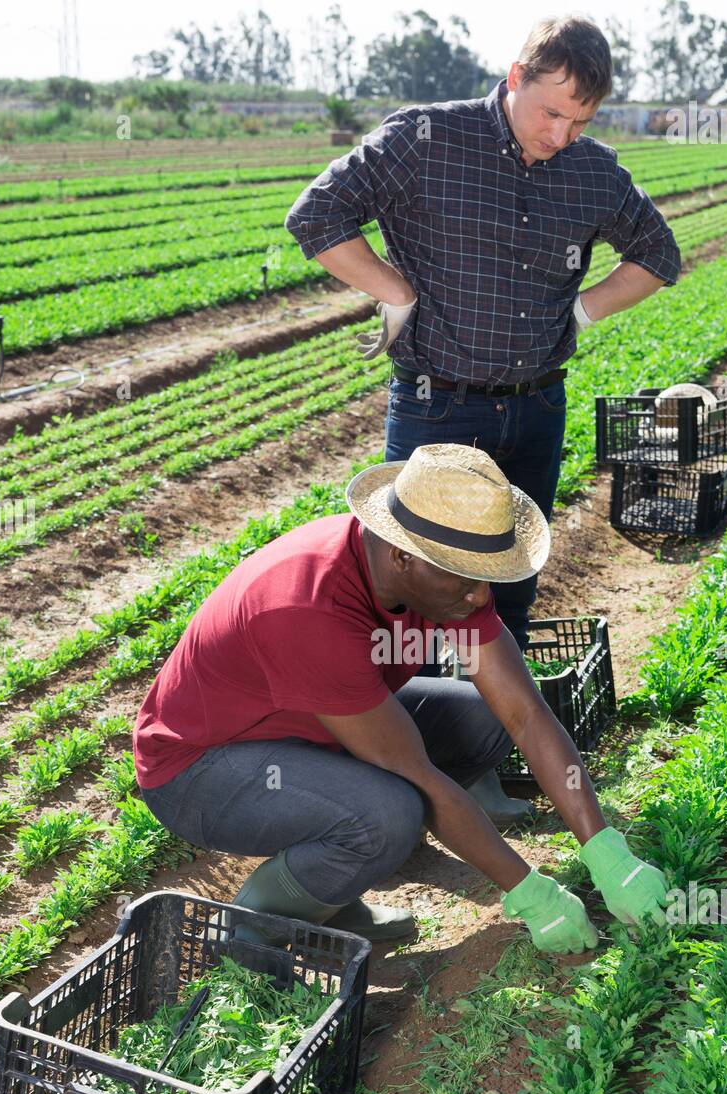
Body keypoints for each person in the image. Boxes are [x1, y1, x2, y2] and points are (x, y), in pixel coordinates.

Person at [284, 15, 681, 827]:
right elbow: (316, 218)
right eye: (551, 113)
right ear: (514, 77)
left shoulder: (591, 172)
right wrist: (394, 290)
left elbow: (657, 255)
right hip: (437, 407)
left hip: (535, 407)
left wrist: (583, 311)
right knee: (418, 596)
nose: (562, 135)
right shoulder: (427, 140)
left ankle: (481, 768)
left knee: (506, 593)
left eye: (580, 121)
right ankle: (403, 780)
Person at [134, 443, 668, 949]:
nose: (482, 597)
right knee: (389, 814)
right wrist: (530, 892)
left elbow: (525, 713)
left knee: (485, 719)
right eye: (465, 580)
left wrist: (607, 851)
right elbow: (415, 771)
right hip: (201, 768)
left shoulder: (449, 569)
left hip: (309, 731)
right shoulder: (308, 607)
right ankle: (260, 927)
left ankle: (334, 878)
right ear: (401, 556)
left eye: (485, 579)